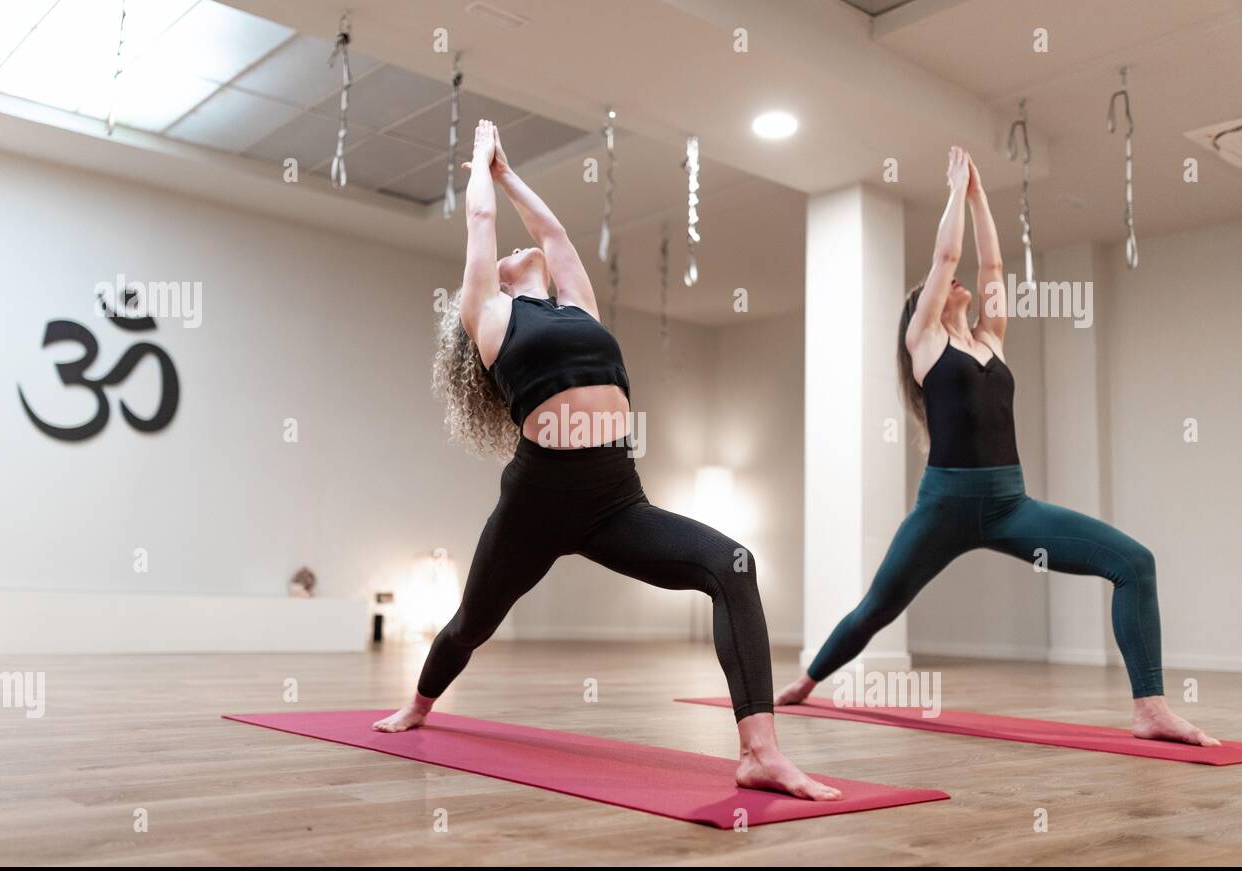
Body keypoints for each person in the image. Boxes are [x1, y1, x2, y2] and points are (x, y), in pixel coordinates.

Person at [374, 121, 844, 799]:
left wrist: (508, 173)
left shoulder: (579, 308)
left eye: (519, 247)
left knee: (733, 565)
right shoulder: (490, 317)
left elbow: (556, 236)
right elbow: (478, 217)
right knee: (469, 624)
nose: (514, 248)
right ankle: (419, 704)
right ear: (492, 287)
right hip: (535, 504)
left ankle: (759, 751)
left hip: (617, 503)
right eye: (503, 255)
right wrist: (479, 158)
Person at [778, 146, 1218, 749]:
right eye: (935, 288)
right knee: (878, 607)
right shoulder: (925, 341)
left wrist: (984, 198)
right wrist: (955, 190)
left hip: (1011, 505)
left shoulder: (992, 340)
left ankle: (1150, 707)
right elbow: (948, 255)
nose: (954, 283)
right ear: (922, 310)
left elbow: (989, 266)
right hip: (944, 508)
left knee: (1134, 563)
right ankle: (805, 682)